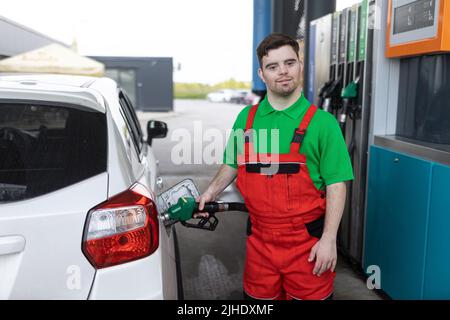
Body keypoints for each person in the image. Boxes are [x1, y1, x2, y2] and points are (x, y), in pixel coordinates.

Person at [196, 33, 354, 300]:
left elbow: (336, 183)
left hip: (308, 243)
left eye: (289, 63)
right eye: (273, 66)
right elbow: (233, 162)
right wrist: (211, 192)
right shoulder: (247, 118)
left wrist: (329, 239)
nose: (283, 72)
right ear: (262, 73)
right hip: (260, 241)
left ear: (300, 65)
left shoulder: (323, 124)